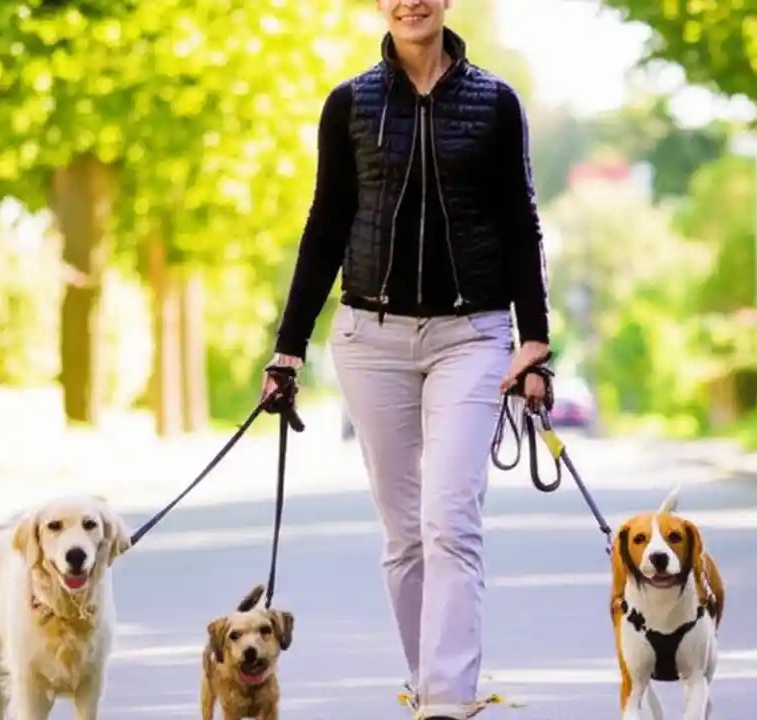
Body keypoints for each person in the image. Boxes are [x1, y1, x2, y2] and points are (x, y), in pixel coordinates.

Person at [260, 1, 552, 717]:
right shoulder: (349, 104)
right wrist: (288, 348)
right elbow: (326, 224)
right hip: (372, 338)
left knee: (449, 520)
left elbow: (520, 221)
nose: (411, 1)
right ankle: (428, 684)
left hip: (473, 336)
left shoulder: (496, 102)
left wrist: (534, 341)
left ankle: (447, 701)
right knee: (403, 534)